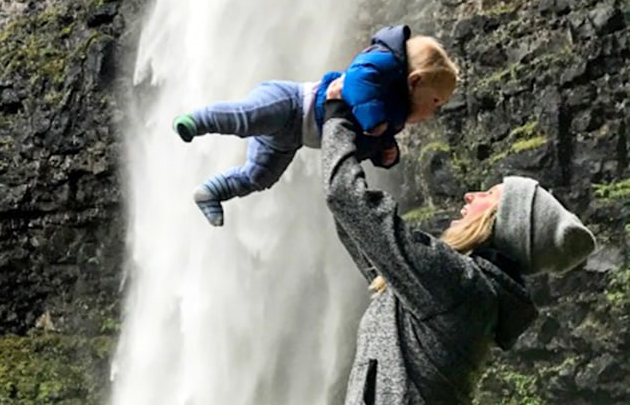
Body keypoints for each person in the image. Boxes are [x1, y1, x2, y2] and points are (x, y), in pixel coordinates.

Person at [321, 89, 596, 404]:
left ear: (501, 222)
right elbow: (356, 229)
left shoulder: (459, 286)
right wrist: (365, 146)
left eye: (488, 195)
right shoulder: (468, 293)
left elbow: (345, 200)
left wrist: (336, 115)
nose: (471, 196)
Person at [172, 25, 459, 226]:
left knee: (260, 177)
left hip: (291, 139)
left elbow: (367, 138)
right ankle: (196, 121)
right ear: (416, 81)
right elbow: (358, 82)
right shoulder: (381, 65)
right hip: (292, 104)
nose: (434, 111)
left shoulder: (392, 115)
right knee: (247, 118)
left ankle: (211, 192)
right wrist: (375, 123)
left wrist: (386, 153)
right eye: (435, 102)